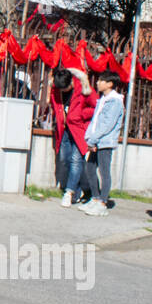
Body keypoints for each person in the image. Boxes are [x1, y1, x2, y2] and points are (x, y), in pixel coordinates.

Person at [49, 66, 98, 207]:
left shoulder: (84, 88)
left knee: (76, 160)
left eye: (65, 88)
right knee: (64, 159)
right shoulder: (56, 88)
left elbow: (96, 107)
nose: (62, 91)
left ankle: (68, 193)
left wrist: (81, 115)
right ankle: (79, 189)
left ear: (71, 82)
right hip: (63, 128)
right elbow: (55, 106)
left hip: (79, 129)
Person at [82, 71, 125, 216]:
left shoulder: (115, 101)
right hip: (96, 140)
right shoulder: (103, 100)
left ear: (110, 84)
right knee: (89, 168)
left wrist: (93, 139)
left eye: (101, 81)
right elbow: (95, 121)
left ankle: (102, 202)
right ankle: (95, 197)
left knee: (104, 172)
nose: (97, 83)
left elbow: (107, 124)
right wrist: (89, 137)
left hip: (105, 142)